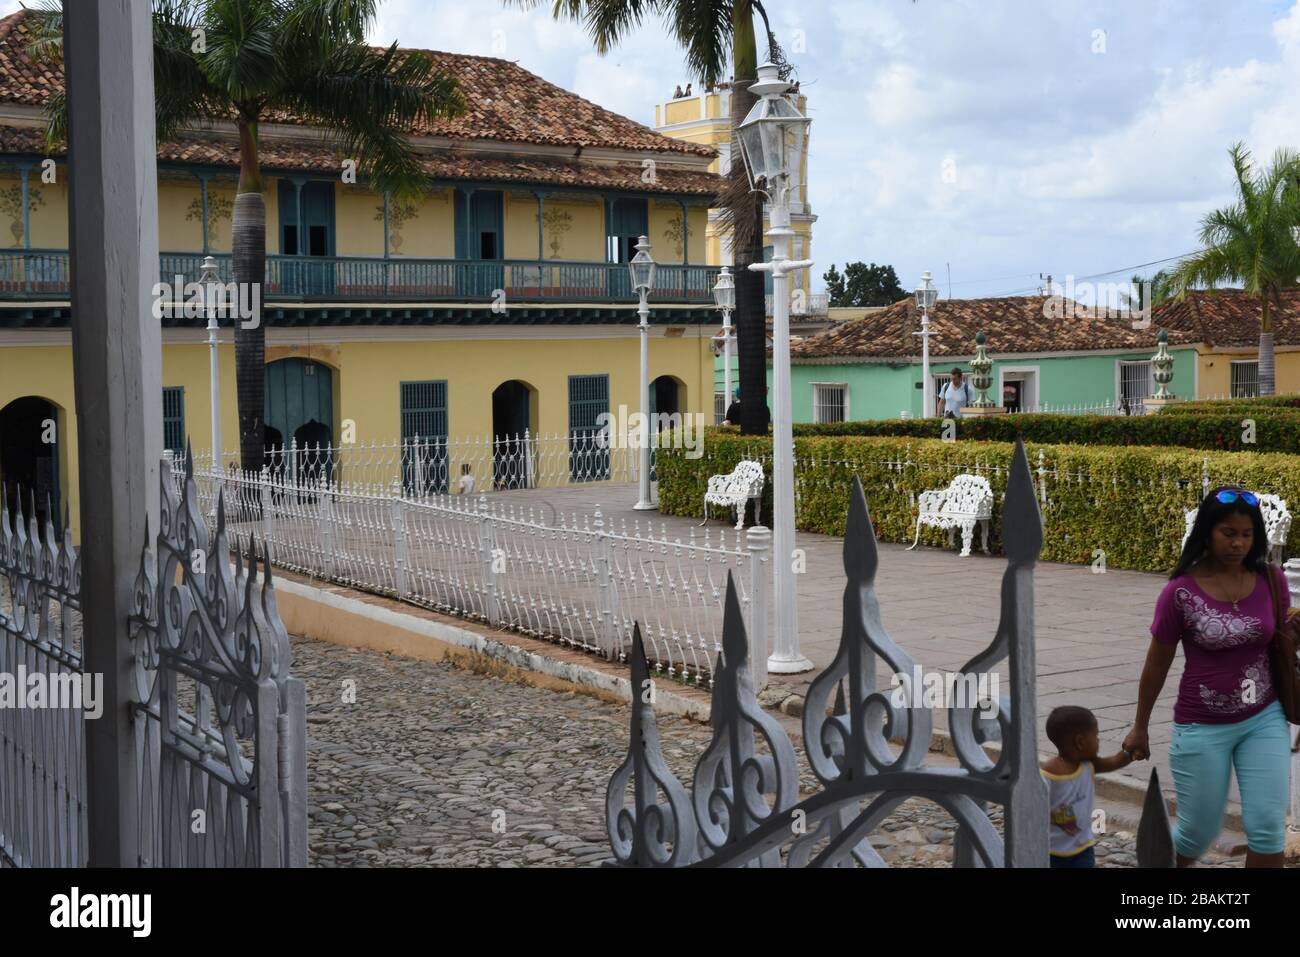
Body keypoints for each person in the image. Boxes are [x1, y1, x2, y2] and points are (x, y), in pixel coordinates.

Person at [1123, 487, 1293, 868]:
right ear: (1207, 533)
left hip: (1264, 718)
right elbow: (1156, 664)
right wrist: (1140, 726)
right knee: (1197, 832)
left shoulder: (1272, 580)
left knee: (1267, 827)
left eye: (1247, 535)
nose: (1238, 543)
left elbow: (1282, 642)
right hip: (1202, 724)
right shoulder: (1179, 593)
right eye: (1228, 534)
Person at [1041, 705, 1135, 868]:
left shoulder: (1089, 765)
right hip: (1051, 852)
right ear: (1080, 741)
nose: (1098, 740)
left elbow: (1115, 761)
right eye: (1096, 735)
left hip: (1083, 848)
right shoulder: (1049, 773)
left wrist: (1131, 753)